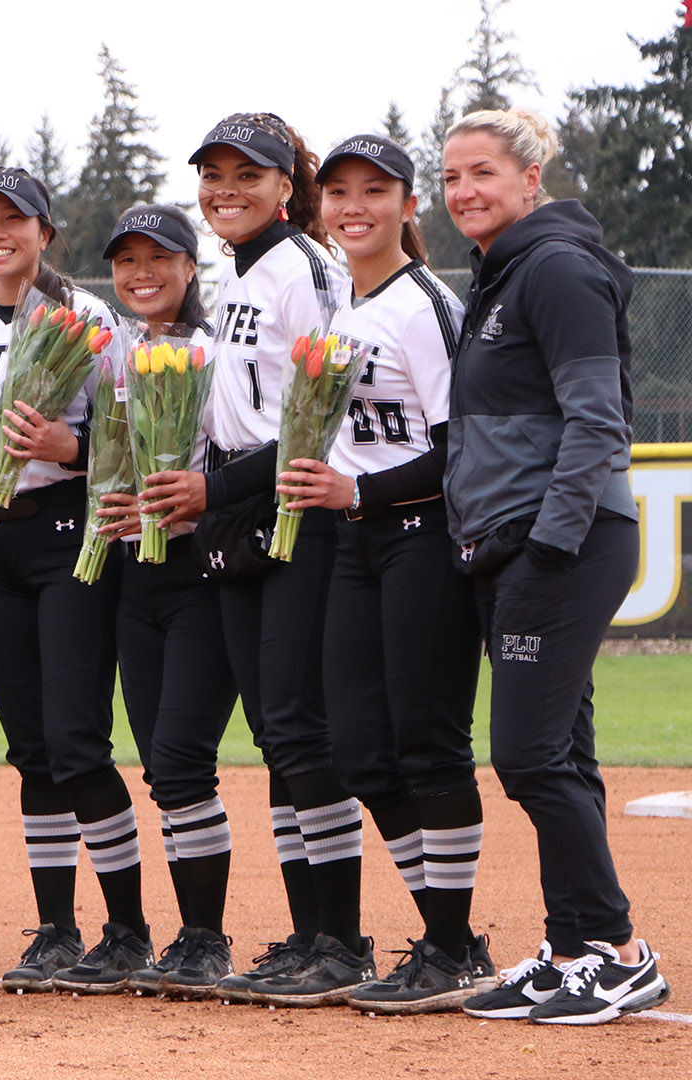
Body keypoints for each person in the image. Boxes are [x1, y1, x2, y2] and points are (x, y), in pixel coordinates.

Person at [436, 109, 670, 1026]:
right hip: (515, 540)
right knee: (561, 750)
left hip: (560, 540)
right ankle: (572, 948)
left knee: (527, 755)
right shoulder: (500, 277)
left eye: (484, 172)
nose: (465, 193)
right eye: (453, 177)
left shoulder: (559, 269)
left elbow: (599, 420)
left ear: (531, 177)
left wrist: (547, 546)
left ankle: (615, 950)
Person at [140, 113, 370, 1007]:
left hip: (294, 513)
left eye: (249, 173)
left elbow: (327, 412)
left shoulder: (306, 267)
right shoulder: (240, 275)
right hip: (237, 515)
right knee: (278, 734)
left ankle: (343, 940)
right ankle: (311, 932)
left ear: (288, 186)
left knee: (299, 728)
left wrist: (219, 490)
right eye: (213, 173)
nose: (225, 188)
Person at [273, 134, 493, 1014]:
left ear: (411, 206)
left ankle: (448, 946)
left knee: (427, 740)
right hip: (358, 541)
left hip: (424, 537)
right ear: (319, 208)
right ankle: (451, 940)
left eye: (376, 190)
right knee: (360, 748)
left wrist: (356, 488)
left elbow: (459, 449)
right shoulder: (339, 311)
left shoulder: (424, 304)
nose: (353, 205)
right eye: (338, 192)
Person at [0, 169, 149, 995]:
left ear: (45, 230)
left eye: (15, 219)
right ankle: (57, 930)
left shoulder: (86, 316)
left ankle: (129, 930)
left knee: (75, 742)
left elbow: (138, 433)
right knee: (32, 749)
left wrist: (71, 452)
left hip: (69, 532)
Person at [95, 204, 242, 999]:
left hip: (199, 576)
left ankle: (206, 939)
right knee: (160, 764)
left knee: (184, 759)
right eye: (126, 260)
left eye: (159, 257)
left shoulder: (215, 355)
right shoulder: (115, 350)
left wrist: (196, 505)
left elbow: (240, 457)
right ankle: (189, 937)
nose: (141, 272)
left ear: (192, 267)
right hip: (134, 577)